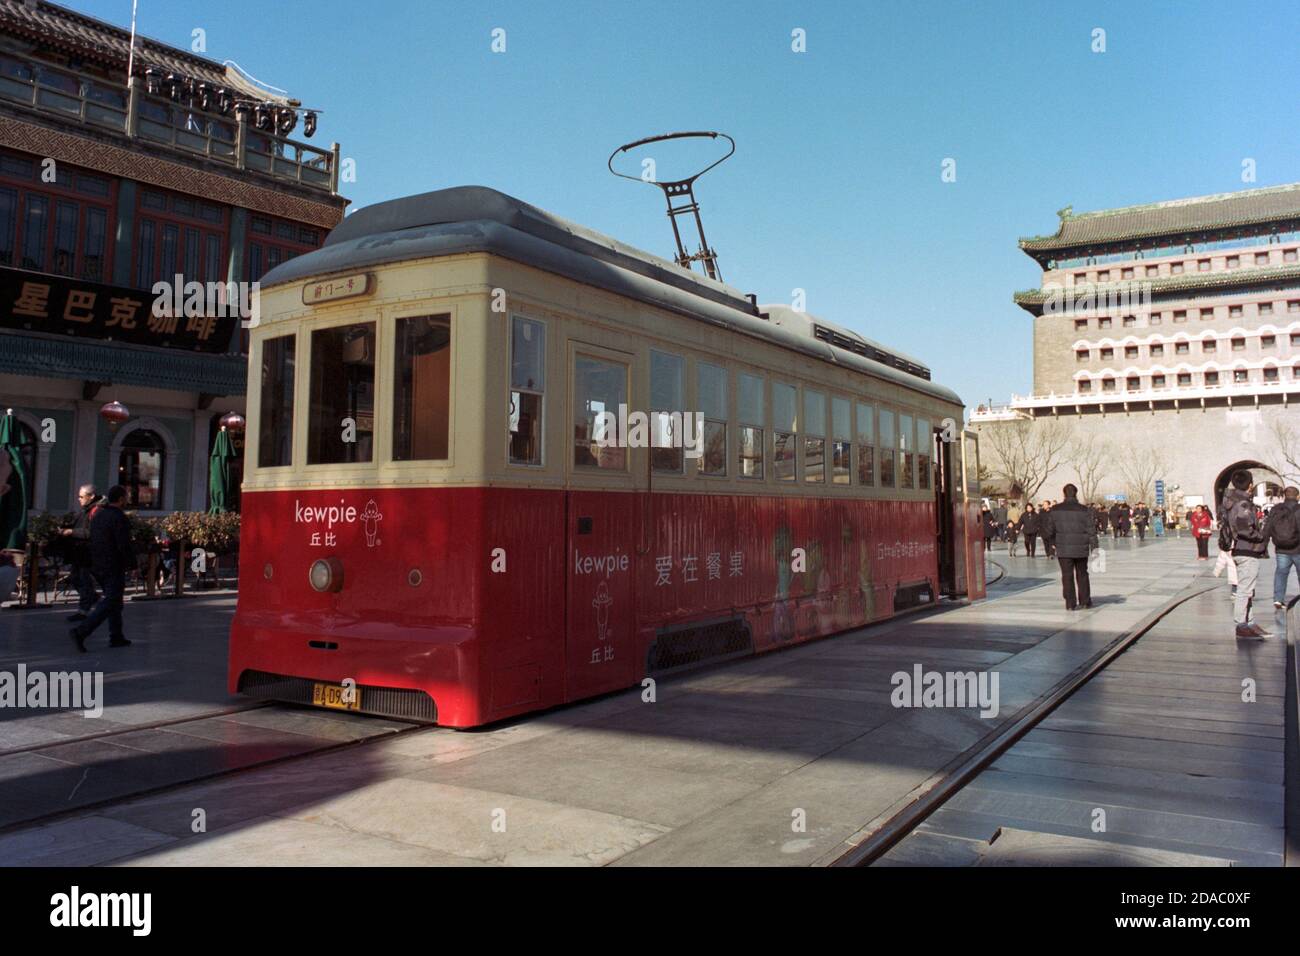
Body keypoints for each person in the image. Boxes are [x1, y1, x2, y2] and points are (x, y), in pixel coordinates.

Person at [69, 485, 134, 652]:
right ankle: (81, 631)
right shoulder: (119, 517)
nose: (127, 500)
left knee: (115, 601)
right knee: (111, 600)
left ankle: (116, 635)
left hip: (97, 564)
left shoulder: (98, 514)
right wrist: (132, 564)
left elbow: (93, 537)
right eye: (125, 497)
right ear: (120, 499)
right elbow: (123, 544)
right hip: (113, 564)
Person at [1222, 470, 1269, 639]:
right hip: (1247, 548)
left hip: (1240, 548)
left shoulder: (1232, 501)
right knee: (1244, 589)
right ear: (1249, 484)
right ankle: (1241, 625)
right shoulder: (1242, 503)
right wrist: (1261, 535)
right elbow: (1244, 529)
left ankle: (1249, 622)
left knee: (1247, 588)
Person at [1041, 483, 1098, 610]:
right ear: (1076, 494)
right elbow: (1091, 531)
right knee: (1082, 574)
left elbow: (1049, 531)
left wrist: (1052, 544)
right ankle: (1085, 601)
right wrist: (1095, 548)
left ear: (1064, 494)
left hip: (1063, 548)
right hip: (1081, 548)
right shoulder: (1085, 510)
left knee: (1067, 575)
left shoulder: (1055, 510)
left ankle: (1070, 603)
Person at [59, 484, 101, 622]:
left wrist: (72, 532)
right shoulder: (85, 510)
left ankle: (83, 610)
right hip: (79, 552)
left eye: (82, 496)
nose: (79, 499)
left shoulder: (96, 511)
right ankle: (92, 597)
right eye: (78, 496)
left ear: (91, 496)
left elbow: (92, 532)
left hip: (88, 553)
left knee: (83, 580)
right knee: (75, 578)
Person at [1265, 486, 1300, 609]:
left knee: (1281, 573)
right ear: (1298, 496)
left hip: (1281, 548)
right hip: (1298, 548)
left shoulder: (1276, 509)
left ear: (1285, 496)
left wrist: (1263, 546)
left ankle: (1278, 599)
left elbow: (1268, 527)